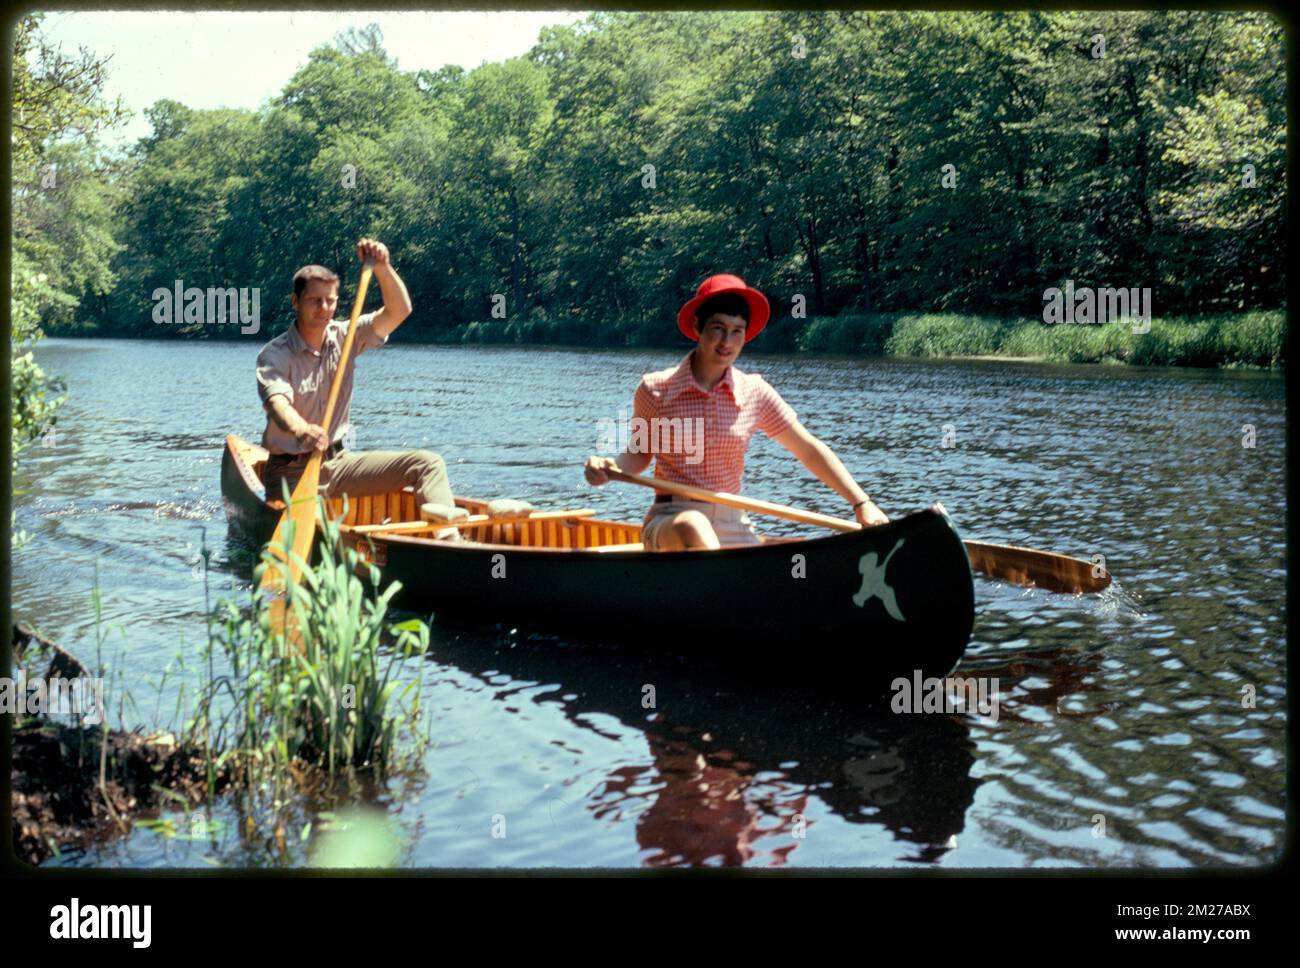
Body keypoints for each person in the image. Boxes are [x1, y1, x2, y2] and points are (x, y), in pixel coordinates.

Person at [584, 273, 889, 550]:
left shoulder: (754, 392)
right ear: (697, 327)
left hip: (732, 522)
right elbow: (638, 456)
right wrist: (609, 467)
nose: (727, 342)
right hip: (672, 522)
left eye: (736, 331)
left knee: (803, 553)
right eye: (718, 328)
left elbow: (808, 449)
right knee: (694, 525)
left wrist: (861, 503)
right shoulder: (655, 389)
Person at [255, 238, 456, 531]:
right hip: (290, 472)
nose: (324, 308)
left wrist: (383, 268)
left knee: (427, 463)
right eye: (314, 300)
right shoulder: (274, 354)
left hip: (339, 463)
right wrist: (303, 430)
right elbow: (277, 404)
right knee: (307, 526)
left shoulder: (346, 337)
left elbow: (399, 311)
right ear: (295, 301)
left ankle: (448, 541)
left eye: (330, 301)